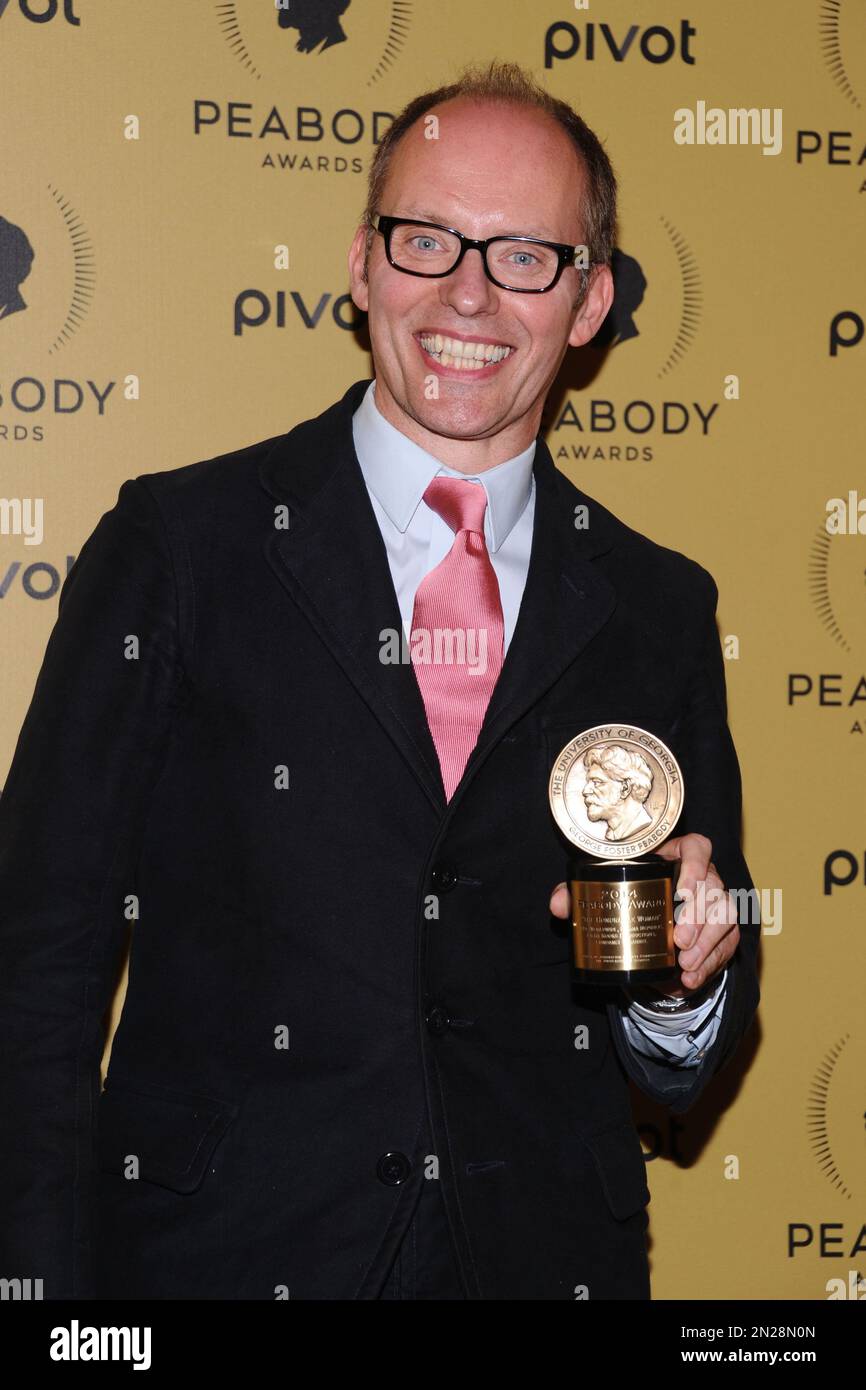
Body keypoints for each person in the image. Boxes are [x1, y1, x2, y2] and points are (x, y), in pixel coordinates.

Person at [0, 60, 759, 1301]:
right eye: (427, 240)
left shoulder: (657, 606)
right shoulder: (182, 548)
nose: (466, 291)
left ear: (589, 302)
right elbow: (37, 964)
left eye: (523, 255)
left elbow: (676, 1037)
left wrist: (684, 981)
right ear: (361, 265)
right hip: (220, 1263)